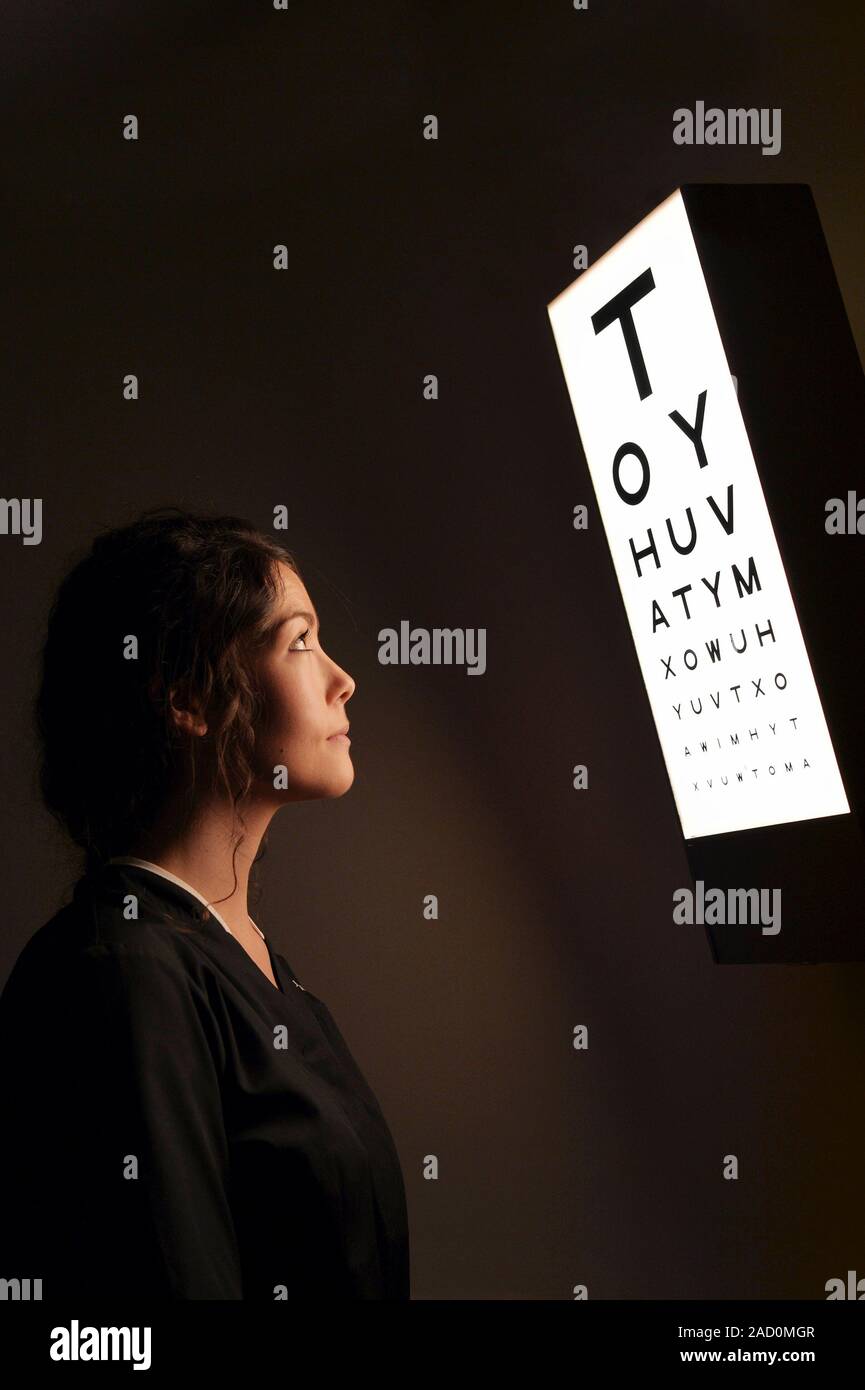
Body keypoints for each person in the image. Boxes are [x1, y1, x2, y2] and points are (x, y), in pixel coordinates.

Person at [0, 506, 410, 1300]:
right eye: (300, 643)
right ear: (186, 700)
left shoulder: (254, 966)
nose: (342, 678)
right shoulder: (125, 972)